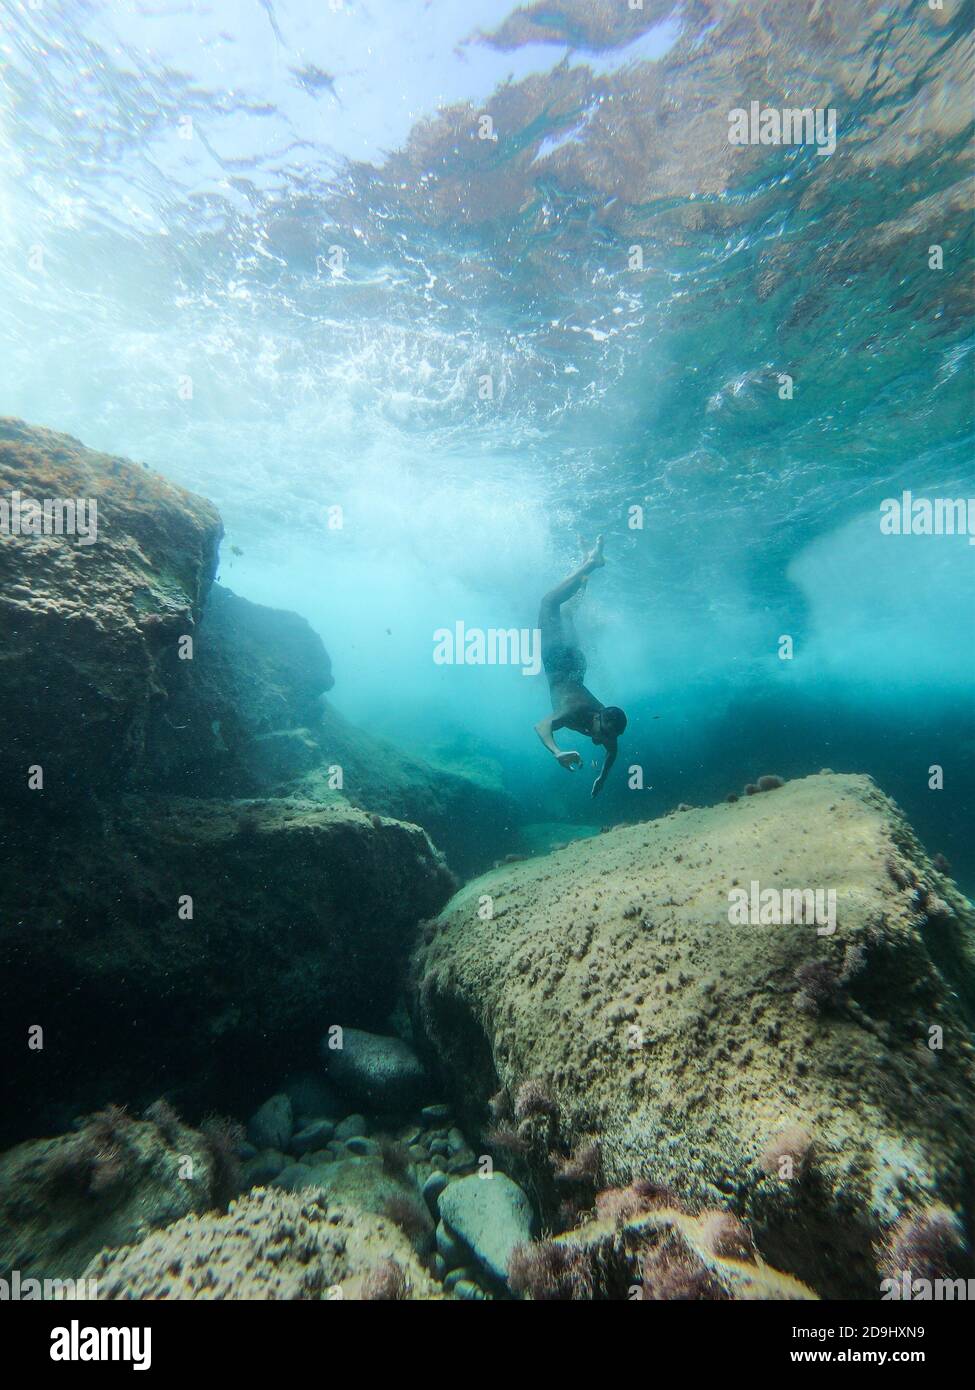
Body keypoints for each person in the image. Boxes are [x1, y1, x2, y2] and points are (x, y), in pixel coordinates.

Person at [534, 536, 627, 798]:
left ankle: (585, 569)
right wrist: (557, 752)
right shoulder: (575, 711)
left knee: (566, 614)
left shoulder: (607, 729)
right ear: (599, 717)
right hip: (558, 660)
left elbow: (613, 753)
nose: (601, 740)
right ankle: (590, 564)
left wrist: (602, 778)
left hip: (576, 665)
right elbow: (541, 726)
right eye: (603, 733)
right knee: (549, 602)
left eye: (607, 736)